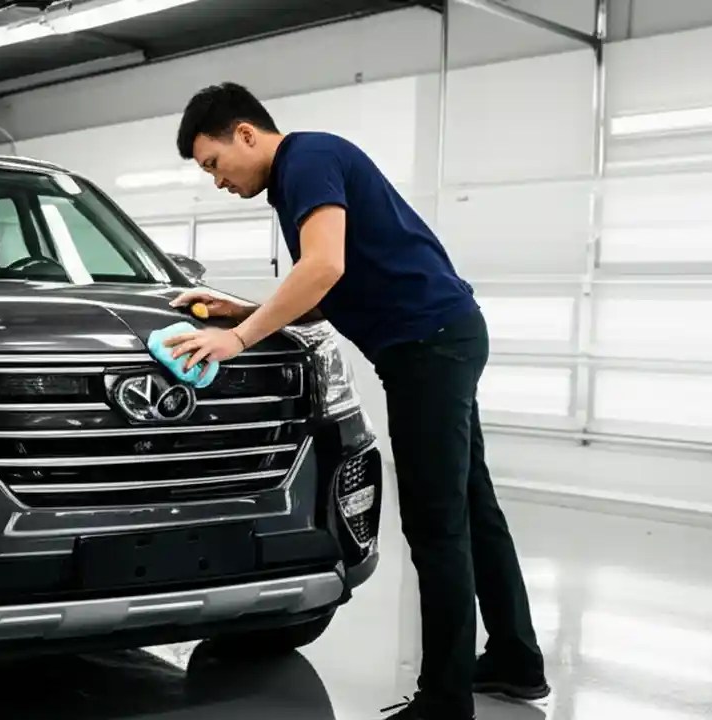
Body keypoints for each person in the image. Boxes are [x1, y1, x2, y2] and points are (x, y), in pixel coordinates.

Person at [165, 82, 549, 720]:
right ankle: (516, 661)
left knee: (437, 524)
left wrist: (236, 336)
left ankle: (446, 701)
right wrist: (249, 307)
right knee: (472, 507)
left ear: (245, 134)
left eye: (213, 164)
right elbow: (324, 294)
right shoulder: (299, 176)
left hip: (428, 347)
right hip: (441, 338)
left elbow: (323, 268)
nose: (218, 181)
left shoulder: (307, 160)